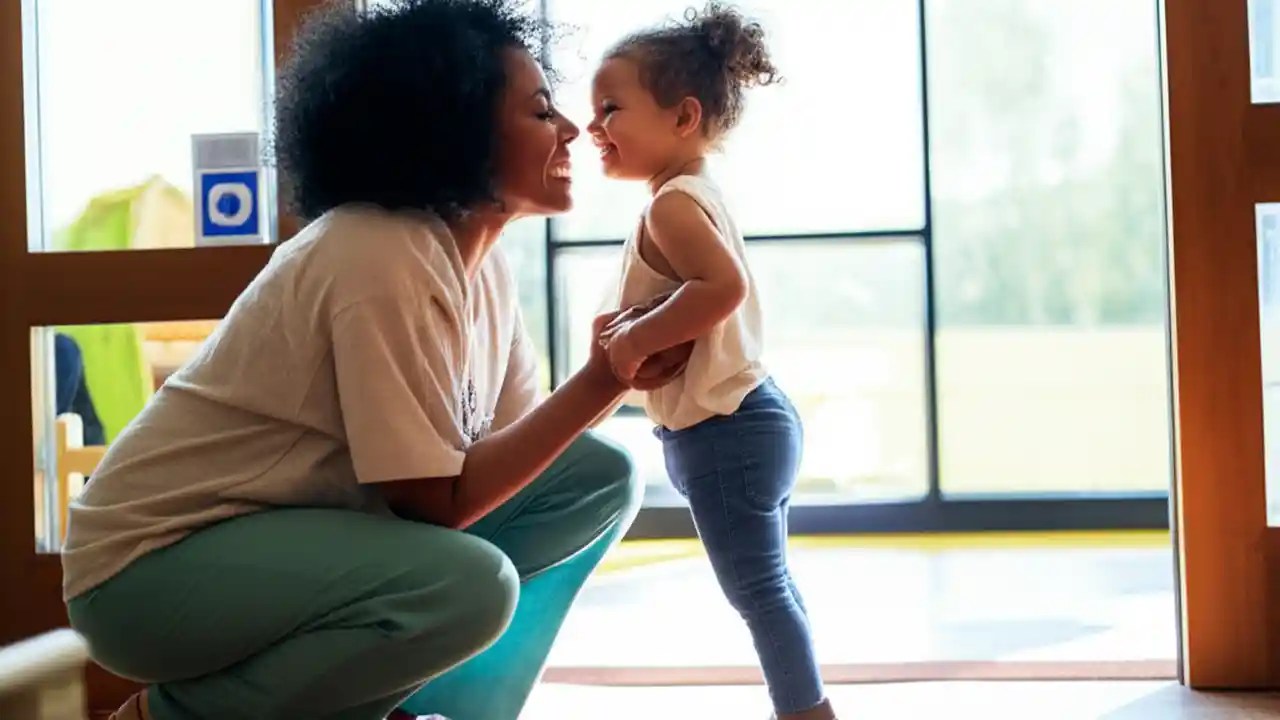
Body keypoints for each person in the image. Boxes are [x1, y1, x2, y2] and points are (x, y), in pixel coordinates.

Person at [60, 2, 690, 719]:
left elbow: (509, 469)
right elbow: (433, 502)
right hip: (146, 575)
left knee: (598, 477)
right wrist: (603, 377)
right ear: (457, 127)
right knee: (465, 583)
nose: (573, 130)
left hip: (286, 551)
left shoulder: (480, 267)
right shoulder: (376, 251)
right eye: (541, 112)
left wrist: (619, 372)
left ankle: (435, 710)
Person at [589, 4, 837, 719]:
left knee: (758, 592)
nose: (594, 127)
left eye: (611, 108)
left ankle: (806, 712)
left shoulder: (670, 205)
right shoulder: (692, 194)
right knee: (772, 587)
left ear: (683, 117)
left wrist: (634, 342)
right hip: (750, 415)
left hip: (725, 430)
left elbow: (720, 289)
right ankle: (807, 703)